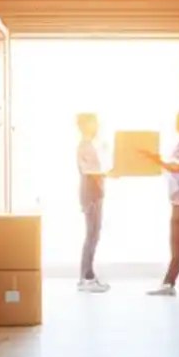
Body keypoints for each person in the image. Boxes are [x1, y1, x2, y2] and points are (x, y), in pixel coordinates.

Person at [141, 110, 179, 296]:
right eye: (178, 120)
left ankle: (170, 283)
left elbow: (178, 167)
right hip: (177, 201)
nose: (178, 124)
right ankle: (172, 283)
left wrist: (156, 160)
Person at [76, 113, 110, 293]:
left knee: (94, 235)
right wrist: (106, 174)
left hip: (95, 193)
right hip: (91, 194)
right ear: (85, 126)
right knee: (91, 235)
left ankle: (89, 274)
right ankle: (86, 278)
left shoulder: (91, 145)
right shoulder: (84, 146)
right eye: (93, 123)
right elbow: (89, 171)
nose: (97, 126)